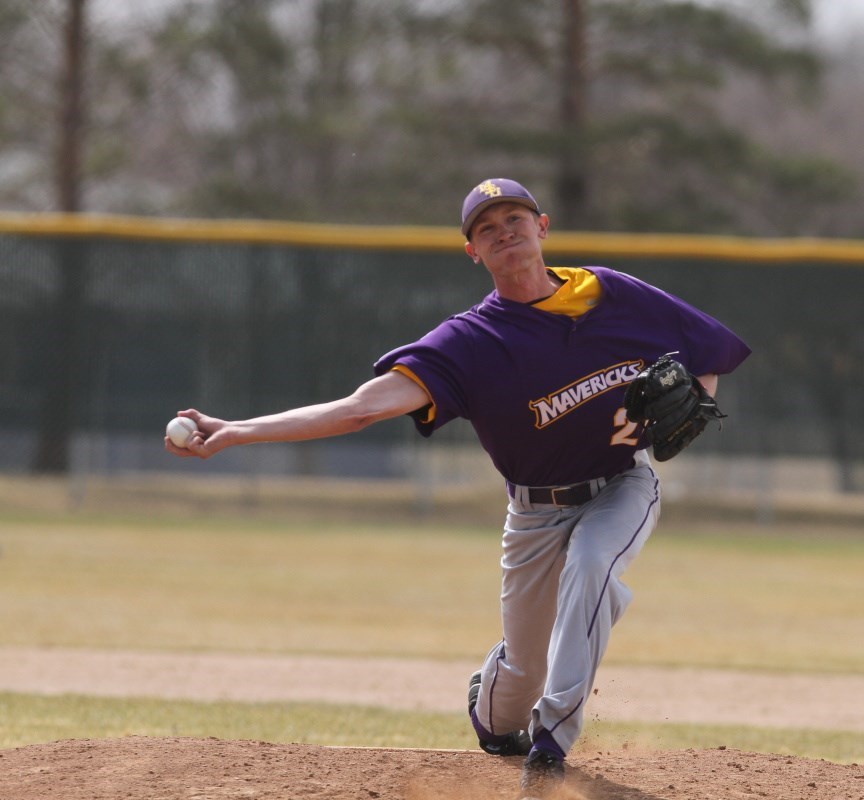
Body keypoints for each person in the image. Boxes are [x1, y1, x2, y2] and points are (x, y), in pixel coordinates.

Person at [165, 178, 751, 798]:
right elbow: (361, 409)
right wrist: (236, 431)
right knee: (520, 673)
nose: (504, 233)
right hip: (532, 512)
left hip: (621, 487)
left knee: (593, 566)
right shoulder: (471, 342)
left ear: (542, 227)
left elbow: (708, 353)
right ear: (473, 251)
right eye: (486, 228)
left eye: (514, 219)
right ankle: (497, 713)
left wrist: (694, 407)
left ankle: (552, 741)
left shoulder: (611, 294)